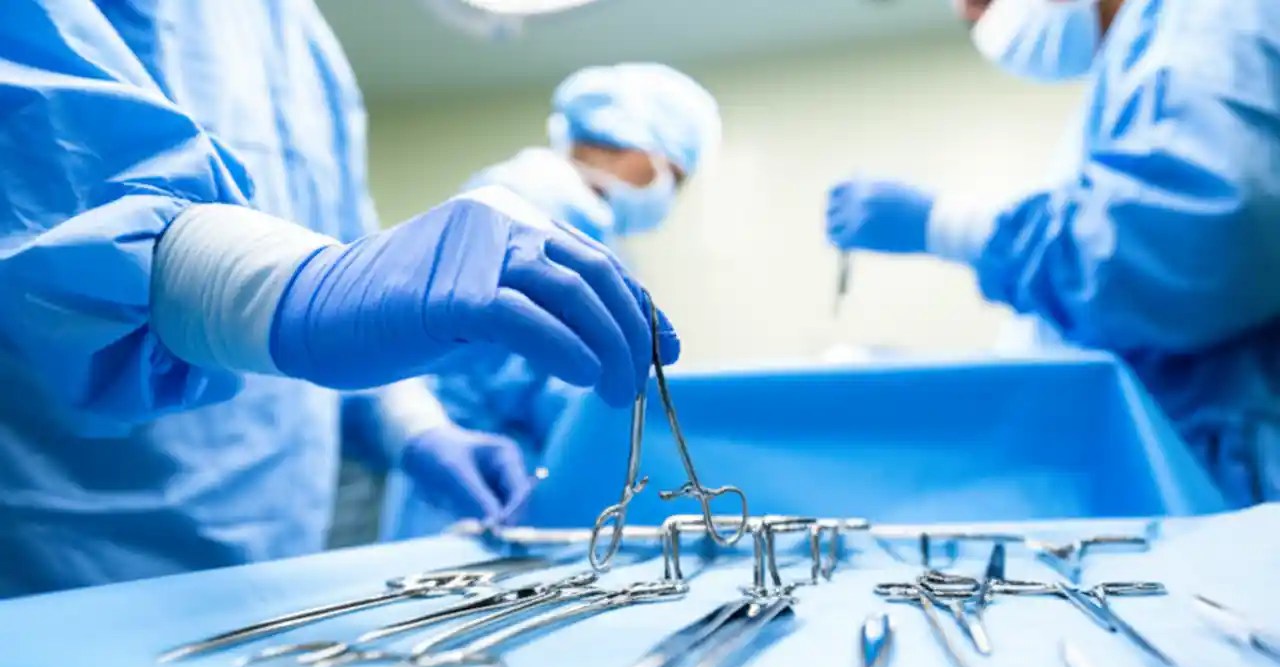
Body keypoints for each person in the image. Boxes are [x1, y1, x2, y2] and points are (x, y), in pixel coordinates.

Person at [0, 1, 679, 597]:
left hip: (277, 564)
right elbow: (32, 161)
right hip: (69, 559)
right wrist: (279, 288)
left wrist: (411, 426)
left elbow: (331, 304)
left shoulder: (307, 46)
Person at [825, 0, 1280, 505]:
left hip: (1227, 501)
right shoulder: (1143, 63)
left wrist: (948, 226)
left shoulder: (1207, 15)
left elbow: (1194, 247)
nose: (968, 13)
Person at [378, 63, 721, 539]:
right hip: (475, 479)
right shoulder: (529, 208)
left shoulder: (581, 224)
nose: (672, 195)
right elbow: (549, 383)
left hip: (509, 473)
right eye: (674, 175)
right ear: (635, 146)